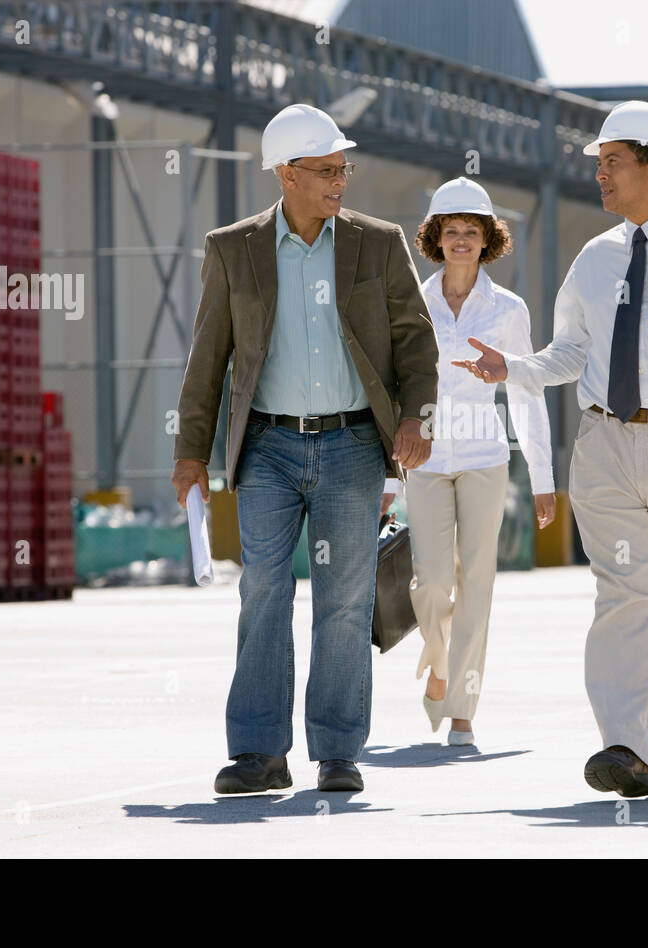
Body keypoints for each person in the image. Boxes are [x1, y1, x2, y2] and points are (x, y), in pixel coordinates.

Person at [454, 101, 648, 797]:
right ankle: (625, 745)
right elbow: (571, 350)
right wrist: (516, 368)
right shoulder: (595, 258)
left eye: (612, 162)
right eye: (598, 164)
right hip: (606, 443)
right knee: (620, 593)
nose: (600, 175)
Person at [171, 103, 438, 795]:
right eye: (325, 169)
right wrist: (191, 451)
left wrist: (417, 419)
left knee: (345, 599)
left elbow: (416, 342)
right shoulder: (234, 249)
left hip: (352, 443)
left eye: (343, 167)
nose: (340, 180)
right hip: (265, 448)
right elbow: (208, 357)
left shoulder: (377, 243)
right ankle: (258, 751)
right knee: (262, 590)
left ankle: (338, 751)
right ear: (286, 174)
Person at [384, 177, 555, 747]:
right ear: (436, 238)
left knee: (476, 584)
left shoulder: (508, 310)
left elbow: (528, 390)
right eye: (451, 231)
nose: (461, 240)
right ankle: (437, 662)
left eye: (471, 232)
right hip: (427, 460)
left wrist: (543, 479)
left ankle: (462, 712)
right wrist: (387, 468)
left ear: (488, 241)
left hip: (485, 457)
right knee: (431, 582)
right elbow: (390, 384)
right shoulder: (413, 301)